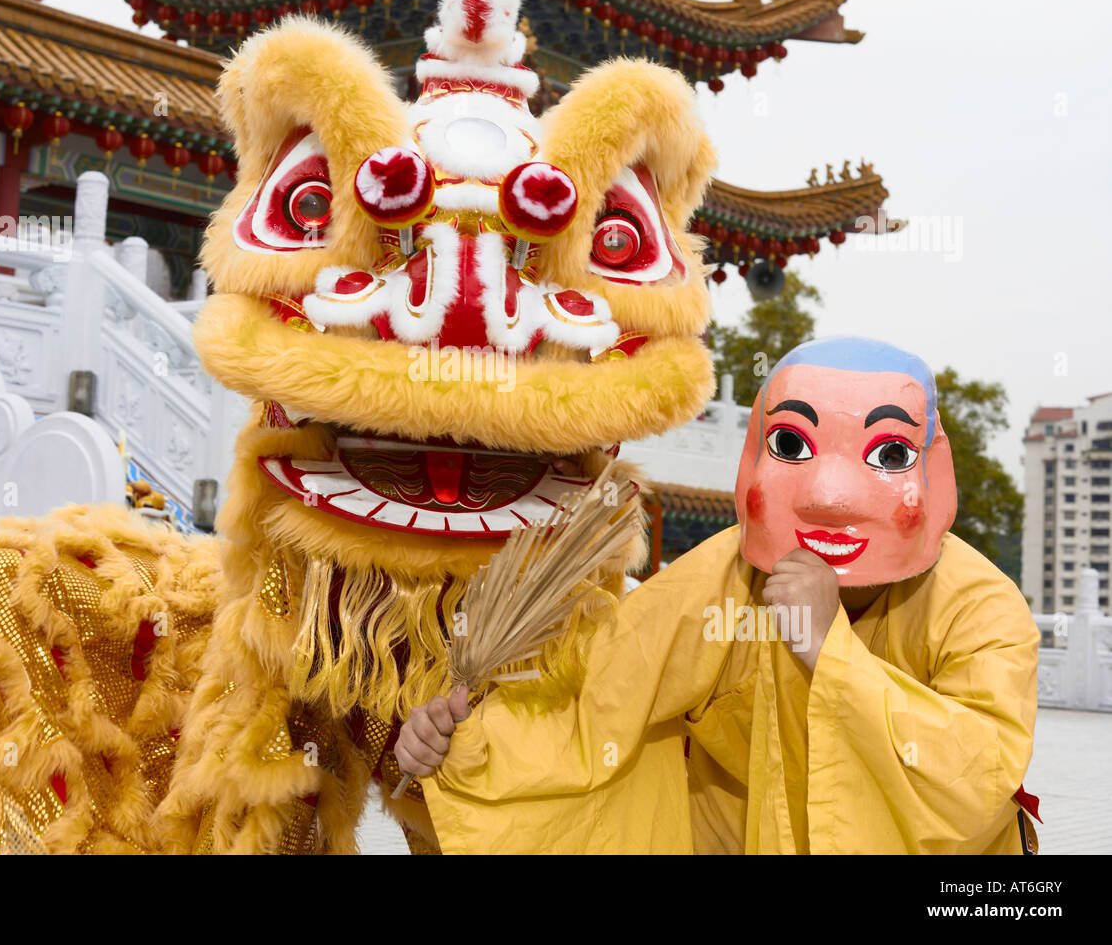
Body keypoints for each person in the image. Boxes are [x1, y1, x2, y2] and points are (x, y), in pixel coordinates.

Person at [396, 337, 1040, 853]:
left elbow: (979, 775)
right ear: (751, 461)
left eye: (891, 454)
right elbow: (600, 700)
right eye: (791, 444)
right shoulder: (721, 581)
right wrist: (466, 744)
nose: (829, 497)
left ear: (936, 474)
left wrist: (829, 652)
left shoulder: (979, 605)